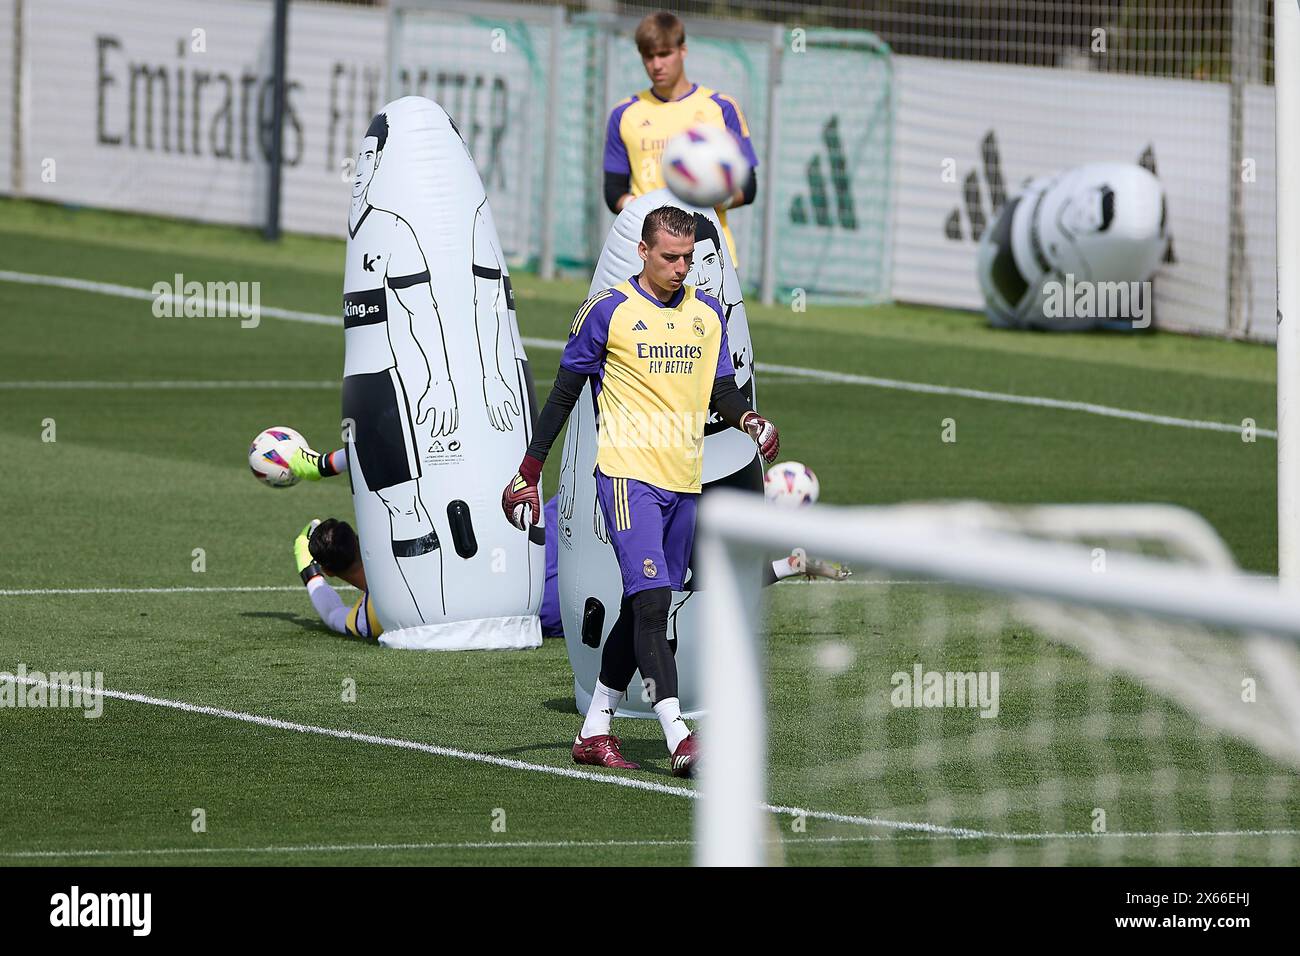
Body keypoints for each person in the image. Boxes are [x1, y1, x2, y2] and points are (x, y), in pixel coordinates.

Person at [501, 205, 780, 777]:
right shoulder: (608, 312)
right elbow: (561, 395)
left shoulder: (707, 316)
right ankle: (680, 736)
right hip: (628, 478)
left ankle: (594, 730)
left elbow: (721, 391)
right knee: (653, 604)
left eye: (689, 258)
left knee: (645, 602)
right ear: (644, 253)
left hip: (685, 480)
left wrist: (750, 420)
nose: (682, 268)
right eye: (671, 257)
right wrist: (529, 470)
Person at [603, 10, 759, 268]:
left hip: (710, 253)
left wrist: (714, 196)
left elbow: (749, 187)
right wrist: (651, 213)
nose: (656, 65)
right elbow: (613, 192)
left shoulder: (721, 108)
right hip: (648, 258)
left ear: (682, 50)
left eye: (664, 54)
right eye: (648, 56)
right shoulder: (624, 114)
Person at [292, 515, 382, 641]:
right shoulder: (397, 543)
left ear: (327, 571)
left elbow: (332, 614)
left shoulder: (368, 617)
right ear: (358, 541)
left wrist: (307, 566)